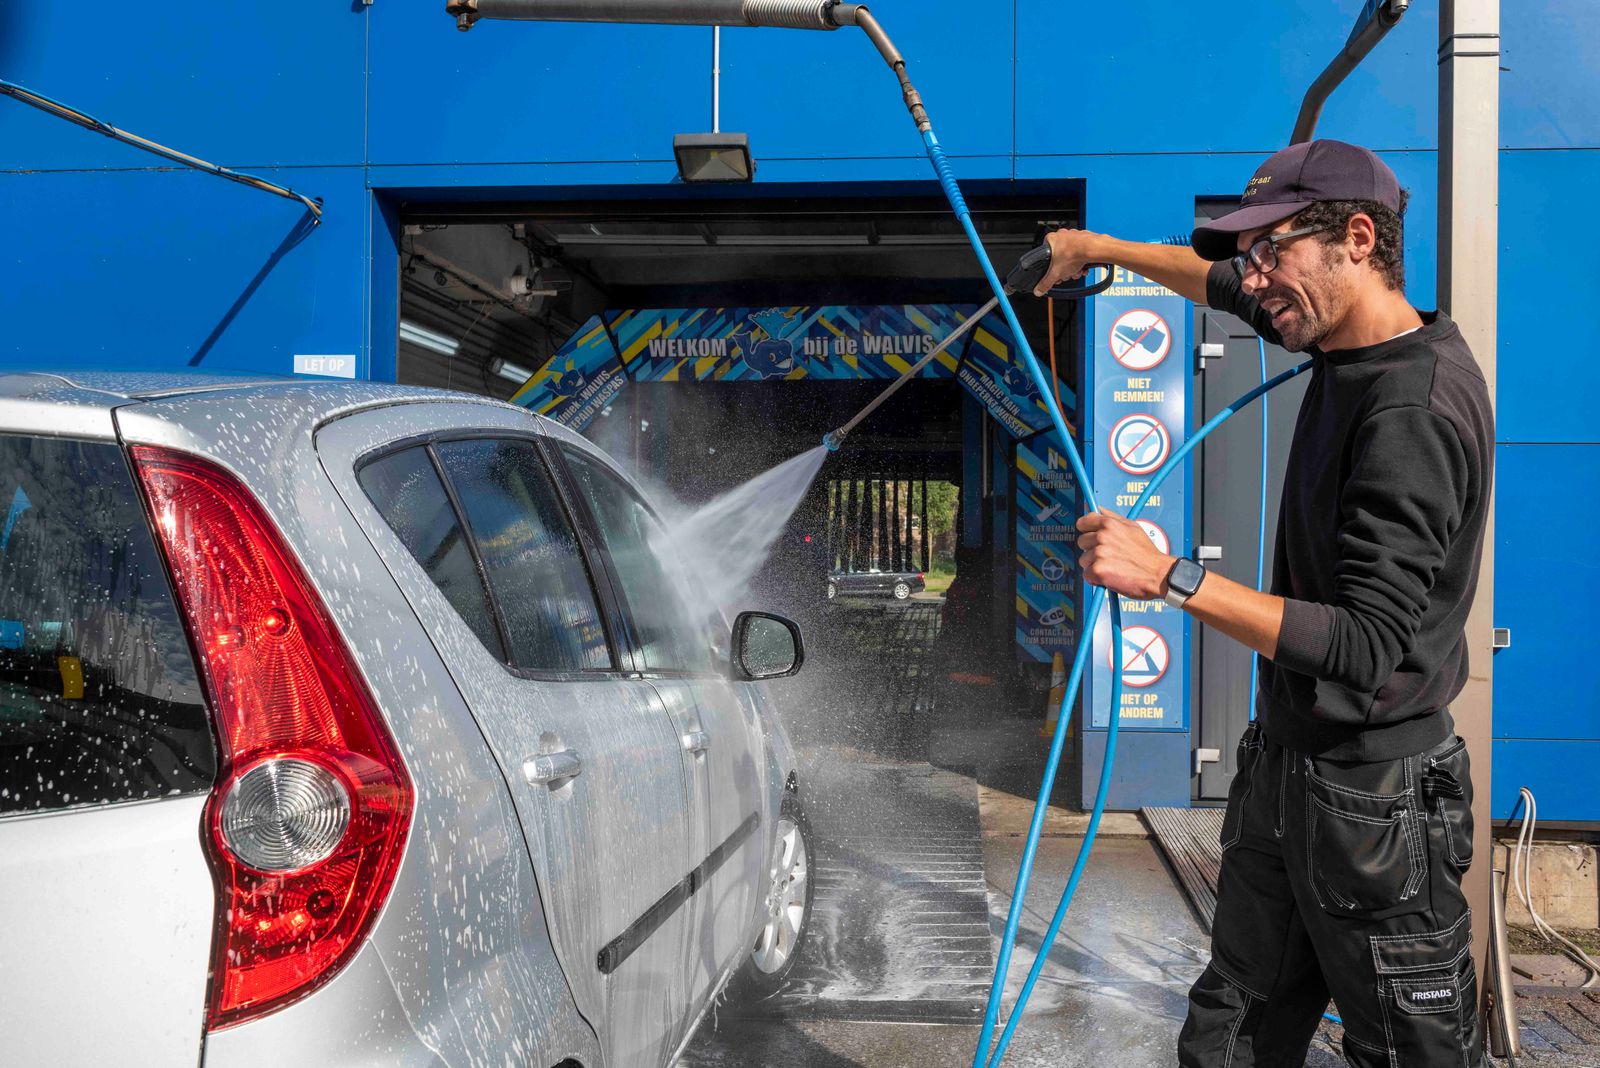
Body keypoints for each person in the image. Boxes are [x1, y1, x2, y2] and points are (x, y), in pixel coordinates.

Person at [1034, 139, 1493, 1067]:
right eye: (1249, 255)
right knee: (1228, 1039)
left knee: (1412, 1053)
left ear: (1357, 239)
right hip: (1284, 769)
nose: (1255, 278)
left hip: (1378, 805)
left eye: (1271, 251)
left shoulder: (1413, 409)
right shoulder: (1325, 326)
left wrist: (1167, 575)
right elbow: (1212, 284)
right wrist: (1098, 248)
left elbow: (1366, 644)